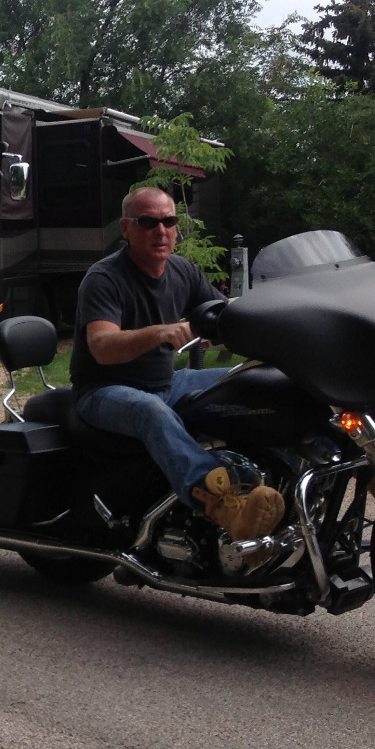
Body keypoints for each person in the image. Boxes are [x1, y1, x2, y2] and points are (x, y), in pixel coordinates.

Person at [71, 186, 284, 541]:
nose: (161, 231)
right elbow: (102, 347)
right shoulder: (104, 278)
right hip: (104, 391)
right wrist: (159, 333)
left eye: (169, 221)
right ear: (126, 229)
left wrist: (268, 322)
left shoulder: (182, 270)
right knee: (149, 411)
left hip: (168, 383)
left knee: (258, 379)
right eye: (148, 222)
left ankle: (294, 472)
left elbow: (224, 316)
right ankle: (222, 503)